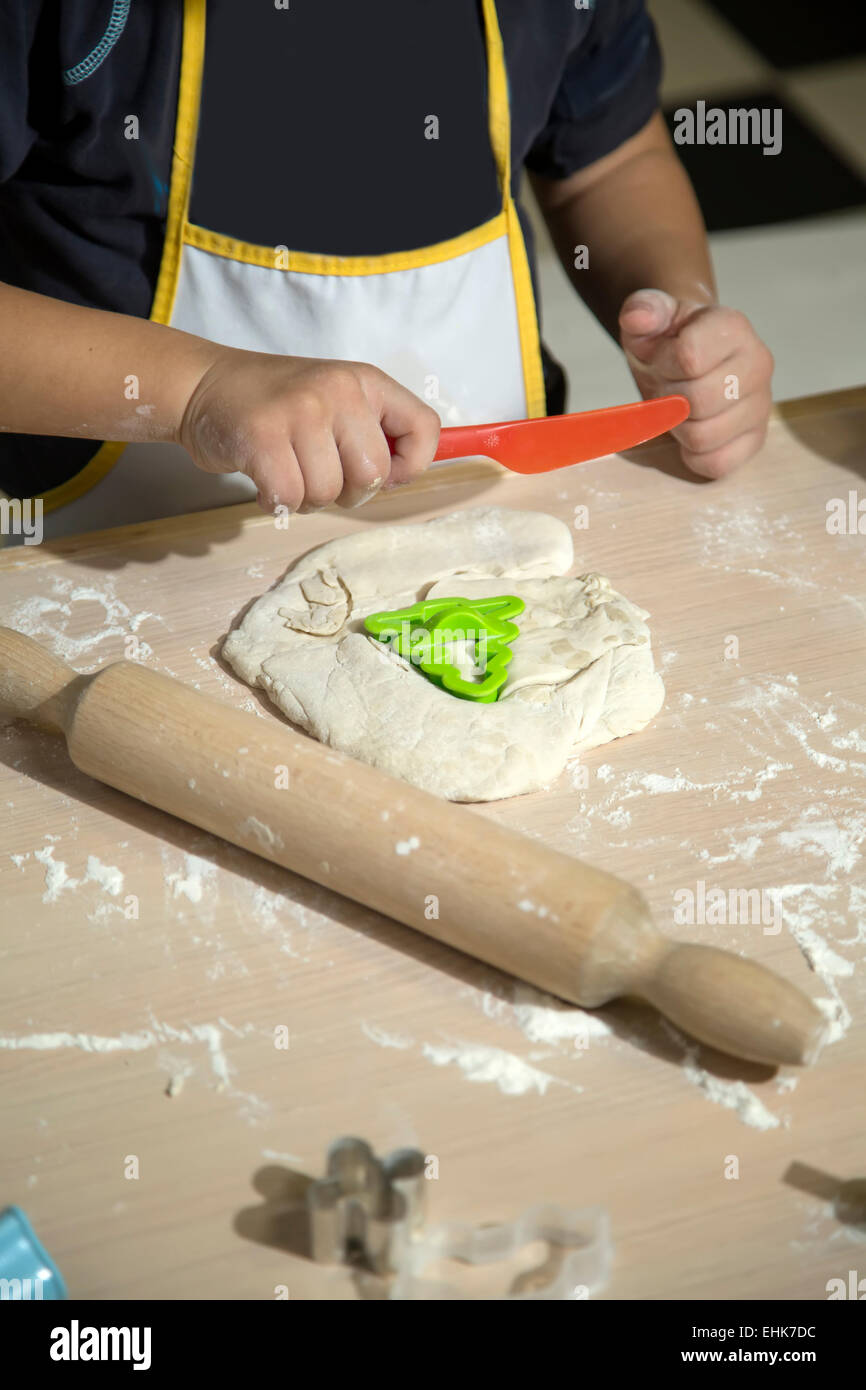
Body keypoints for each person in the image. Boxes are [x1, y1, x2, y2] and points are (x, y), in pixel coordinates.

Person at [0, 1, 773, 539]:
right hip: (115, 554)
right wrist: (194, 390)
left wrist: (680, 320)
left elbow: (609, 159)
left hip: (492, 537)